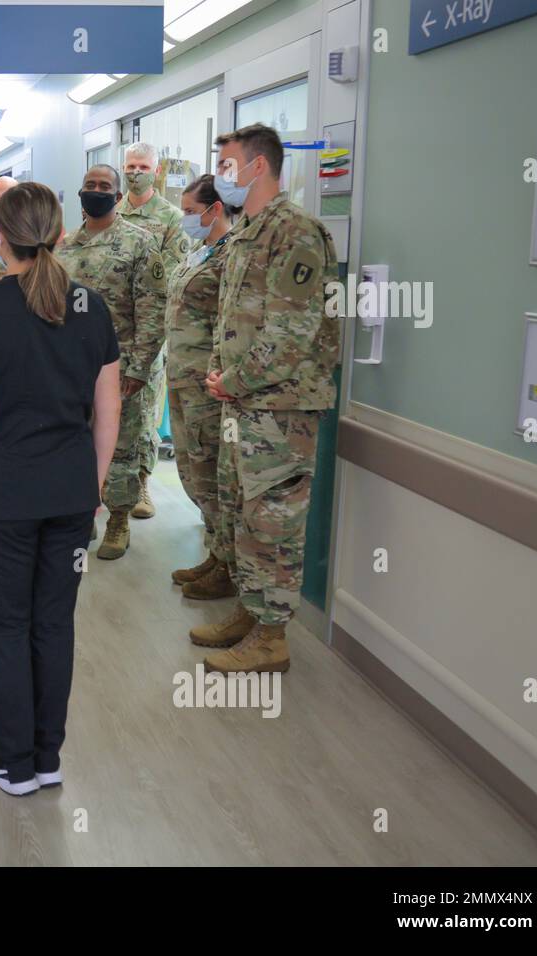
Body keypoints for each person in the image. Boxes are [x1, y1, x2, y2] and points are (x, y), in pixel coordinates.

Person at [0, 181, 120, 796]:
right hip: (69, 497)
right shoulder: (91, 308)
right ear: (62, 234)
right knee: (54, 624)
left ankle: (13, 762)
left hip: (3, 502)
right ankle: (47, 758)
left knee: (7, 626)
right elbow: (109, 411)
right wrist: (92, 487)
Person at [195, 124, 339, 674]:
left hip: (280, 410)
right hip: (244, 403)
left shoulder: (297, 232)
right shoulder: (248, 233)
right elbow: (233, 321)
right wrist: (221, 375)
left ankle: (273, 636)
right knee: (242, 516)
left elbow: (290, 333)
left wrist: (236, 379)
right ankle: (251, 615)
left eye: (227, 165)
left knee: (272, 522)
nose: (219, 177)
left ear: (258, 167)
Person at [55, 164, 166, 559]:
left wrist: (137, 368)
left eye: (105, 186)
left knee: (120, 447)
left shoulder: (139, 243)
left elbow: (153, 311)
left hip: (119, 369)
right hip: (71, 371)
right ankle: (84, 513)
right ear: (80, 193)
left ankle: (118, 519)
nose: (96, 191)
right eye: (90, 186)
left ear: (118, 196)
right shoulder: (64, 247)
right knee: (76, 445)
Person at [164, 175, 236, 603]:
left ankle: (226, 565)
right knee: (192, 473)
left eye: (192, 211)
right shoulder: (198, 251)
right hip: (179, 378)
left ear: (215, 209)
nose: (187, 218)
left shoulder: (231, 258)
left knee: (210, 473)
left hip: (206, 387)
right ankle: (215, 551)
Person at [120, 142, 194, 521]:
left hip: (148, 332)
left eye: (142, 166)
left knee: (145, 415)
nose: (135, 172)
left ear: (157, 170)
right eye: (130, 166)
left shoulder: (171, 218)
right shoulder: (109, 212)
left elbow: (168, 275)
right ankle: (107, 485)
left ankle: (141, 485)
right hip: (110, 332)